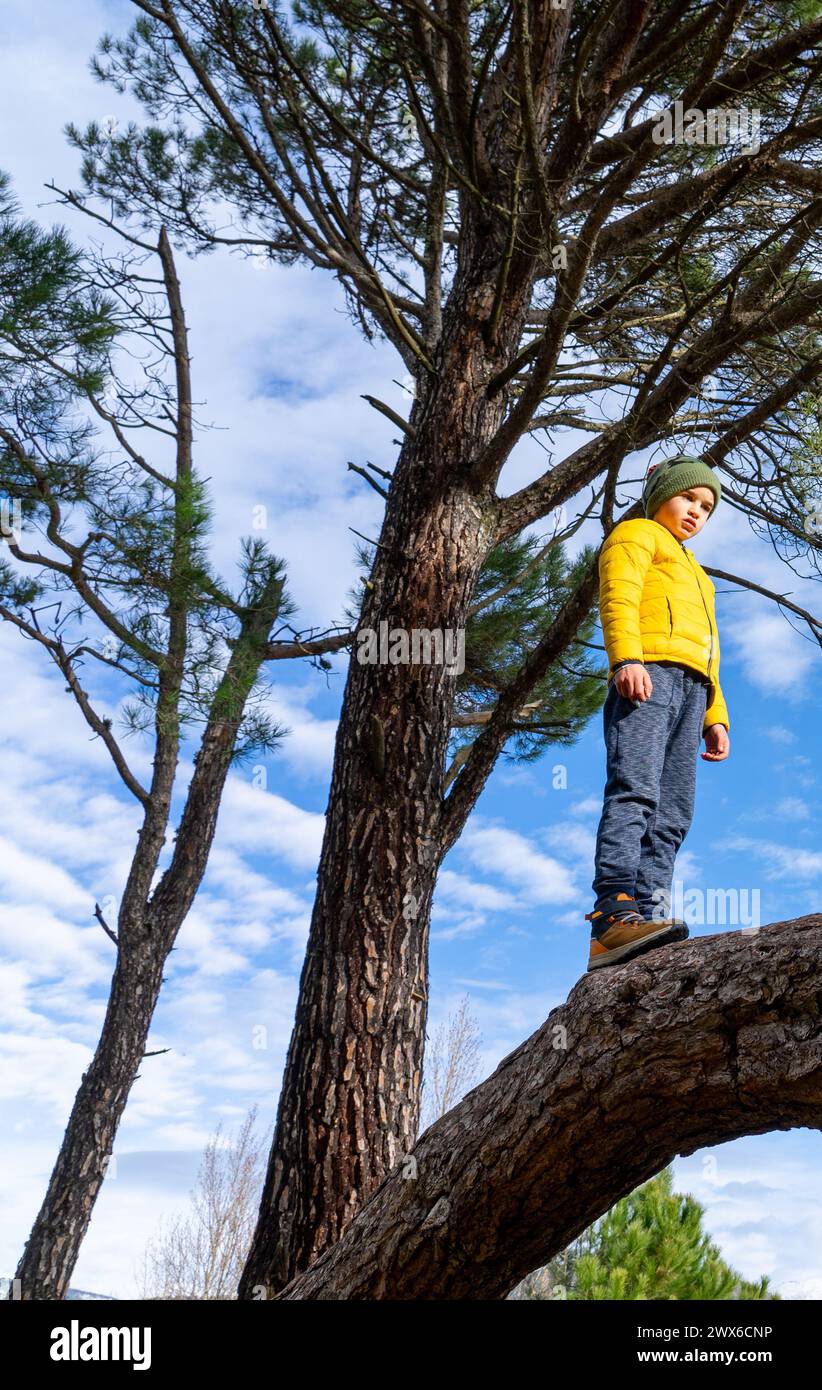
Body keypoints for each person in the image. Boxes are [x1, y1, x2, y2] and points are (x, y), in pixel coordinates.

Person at [586, 454, 730, 972]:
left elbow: (711, 649)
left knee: (673, 812)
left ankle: (652, 915)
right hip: (648, 677)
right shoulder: (637, 535)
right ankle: (613, 915)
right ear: (660, 494)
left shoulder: (699, 574)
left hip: (693, 690)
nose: (697, 511)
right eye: (688, 497)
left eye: (707, 507)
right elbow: (618, 597)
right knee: (635, 789)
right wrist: (626, 657)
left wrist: (716, 714)